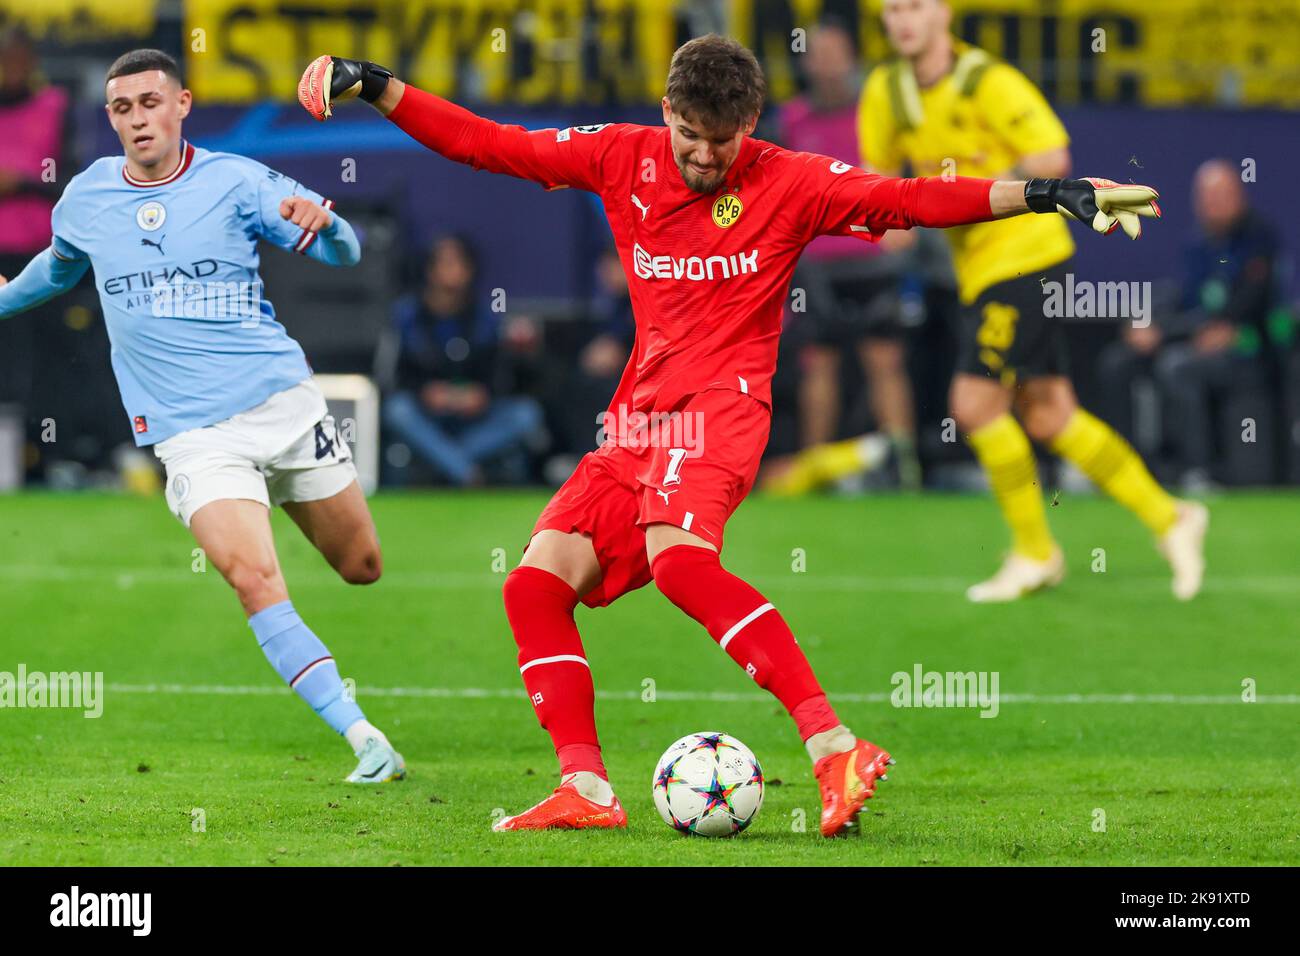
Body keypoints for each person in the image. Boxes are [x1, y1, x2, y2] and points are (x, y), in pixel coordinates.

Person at [299, 35, 1159, 834]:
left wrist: (1047, 194)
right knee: (533, 585)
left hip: (723, 409)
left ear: (749, 124)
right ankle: (586, 789)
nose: (706, 158)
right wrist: (377, 85)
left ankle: (833, 747)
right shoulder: (619, 155)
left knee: (680, 563)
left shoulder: (790, 178)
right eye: (690, 138)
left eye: (723, 141)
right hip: (640, 416)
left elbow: (911, 199)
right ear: (667, 112)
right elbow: (487, 142)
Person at [0, 49, 404, 783]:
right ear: (112, 118)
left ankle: (280, 495)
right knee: (252, 576)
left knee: (362, 567)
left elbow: (344, 251)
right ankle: (364, 738)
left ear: (182, 104)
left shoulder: (237, 181)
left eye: (151, 102)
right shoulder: (87, 197)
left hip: (281, 404)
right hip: (191, 435)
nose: (137, 119)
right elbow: (56, 269)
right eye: (122, 108)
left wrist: (328, 224)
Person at [858, 0, 1206, 601]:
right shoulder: (885, 92)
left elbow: (1053, 158)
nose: (902, 19)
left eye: (914, 6)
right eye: (891, 9)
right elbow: (877, 186)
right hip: (976, 272)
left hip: (1025, 257)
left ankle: (1035, 552)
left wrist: (981, 195)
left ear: (942, 12)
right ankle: (1172, 517)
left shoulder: (986, 80)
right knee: (1048, 413)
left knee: (972, 403)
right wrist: (892, 219)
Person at [767, 18, 920, 492]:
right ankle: (817, 470)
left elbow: (907, 173)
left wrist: (906, 221)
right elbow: (771, 191)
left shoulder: (877, 111)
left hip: (875, 260)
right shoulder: (788, 120)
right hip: (816, 267)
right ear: (805, 61)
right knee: (819, 364)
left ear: (852, 57)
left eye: (836, 52)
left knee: (885, 361)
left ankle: (904, 468)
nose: (827, 63)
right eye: (818, 53)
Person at [1099, 159, 1282, 490]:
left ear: (1239, 196)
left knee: (1176, 366)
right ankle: (1126, 468)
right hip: (1193, 337)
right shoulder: (1198, 243)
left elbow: (1248, 303)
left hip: (1247, 348)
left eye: (1222, 194)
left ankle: (1198, 469)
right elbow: (1184, 298)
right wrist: (1152, 324)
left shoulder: (1259, 238)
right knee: (1118, 362)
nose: (1214, 203)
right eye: (1207, 196)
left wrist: (1210, 328)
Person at [380, 234, 544, 485]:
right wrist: (427, 392)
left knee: (525, 414)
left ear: (470, 270)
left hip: (474, 418)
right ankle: (466, 472)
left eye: (458, 263)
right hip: (428, 415)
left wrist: (481, 394)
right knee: (397, 410)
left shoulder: (487, 317)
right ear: (430, 269)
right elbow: (396, 375)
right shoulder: (407, 315)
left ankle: (445, 465)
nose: (452, 271)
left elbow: (498, 375)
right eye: (444, 263)